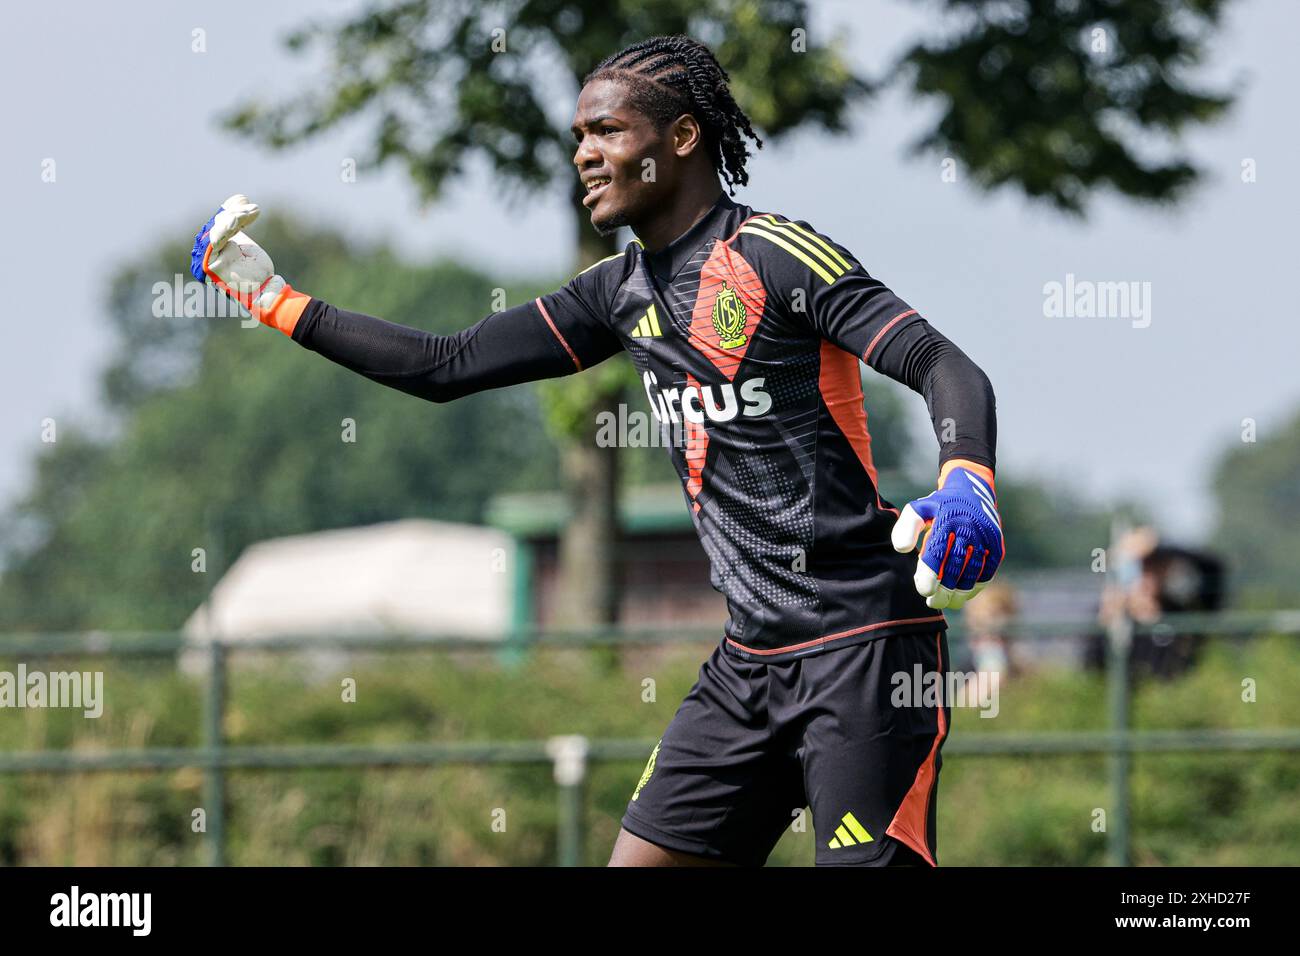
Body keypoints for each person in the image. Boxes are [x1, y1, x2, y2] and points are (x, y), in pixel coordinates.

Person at [190, 35, 1003, 867]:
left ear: (682, 138)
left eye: (607, 132)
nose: (584, 154)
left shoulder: (774, 255)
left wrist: (966, 476)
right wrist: (274, 299)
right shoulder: (619, 293)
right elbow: (444, 365)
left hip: (867, 647)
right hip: (747, 664)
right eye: (579, 136)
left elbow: (941, 364)